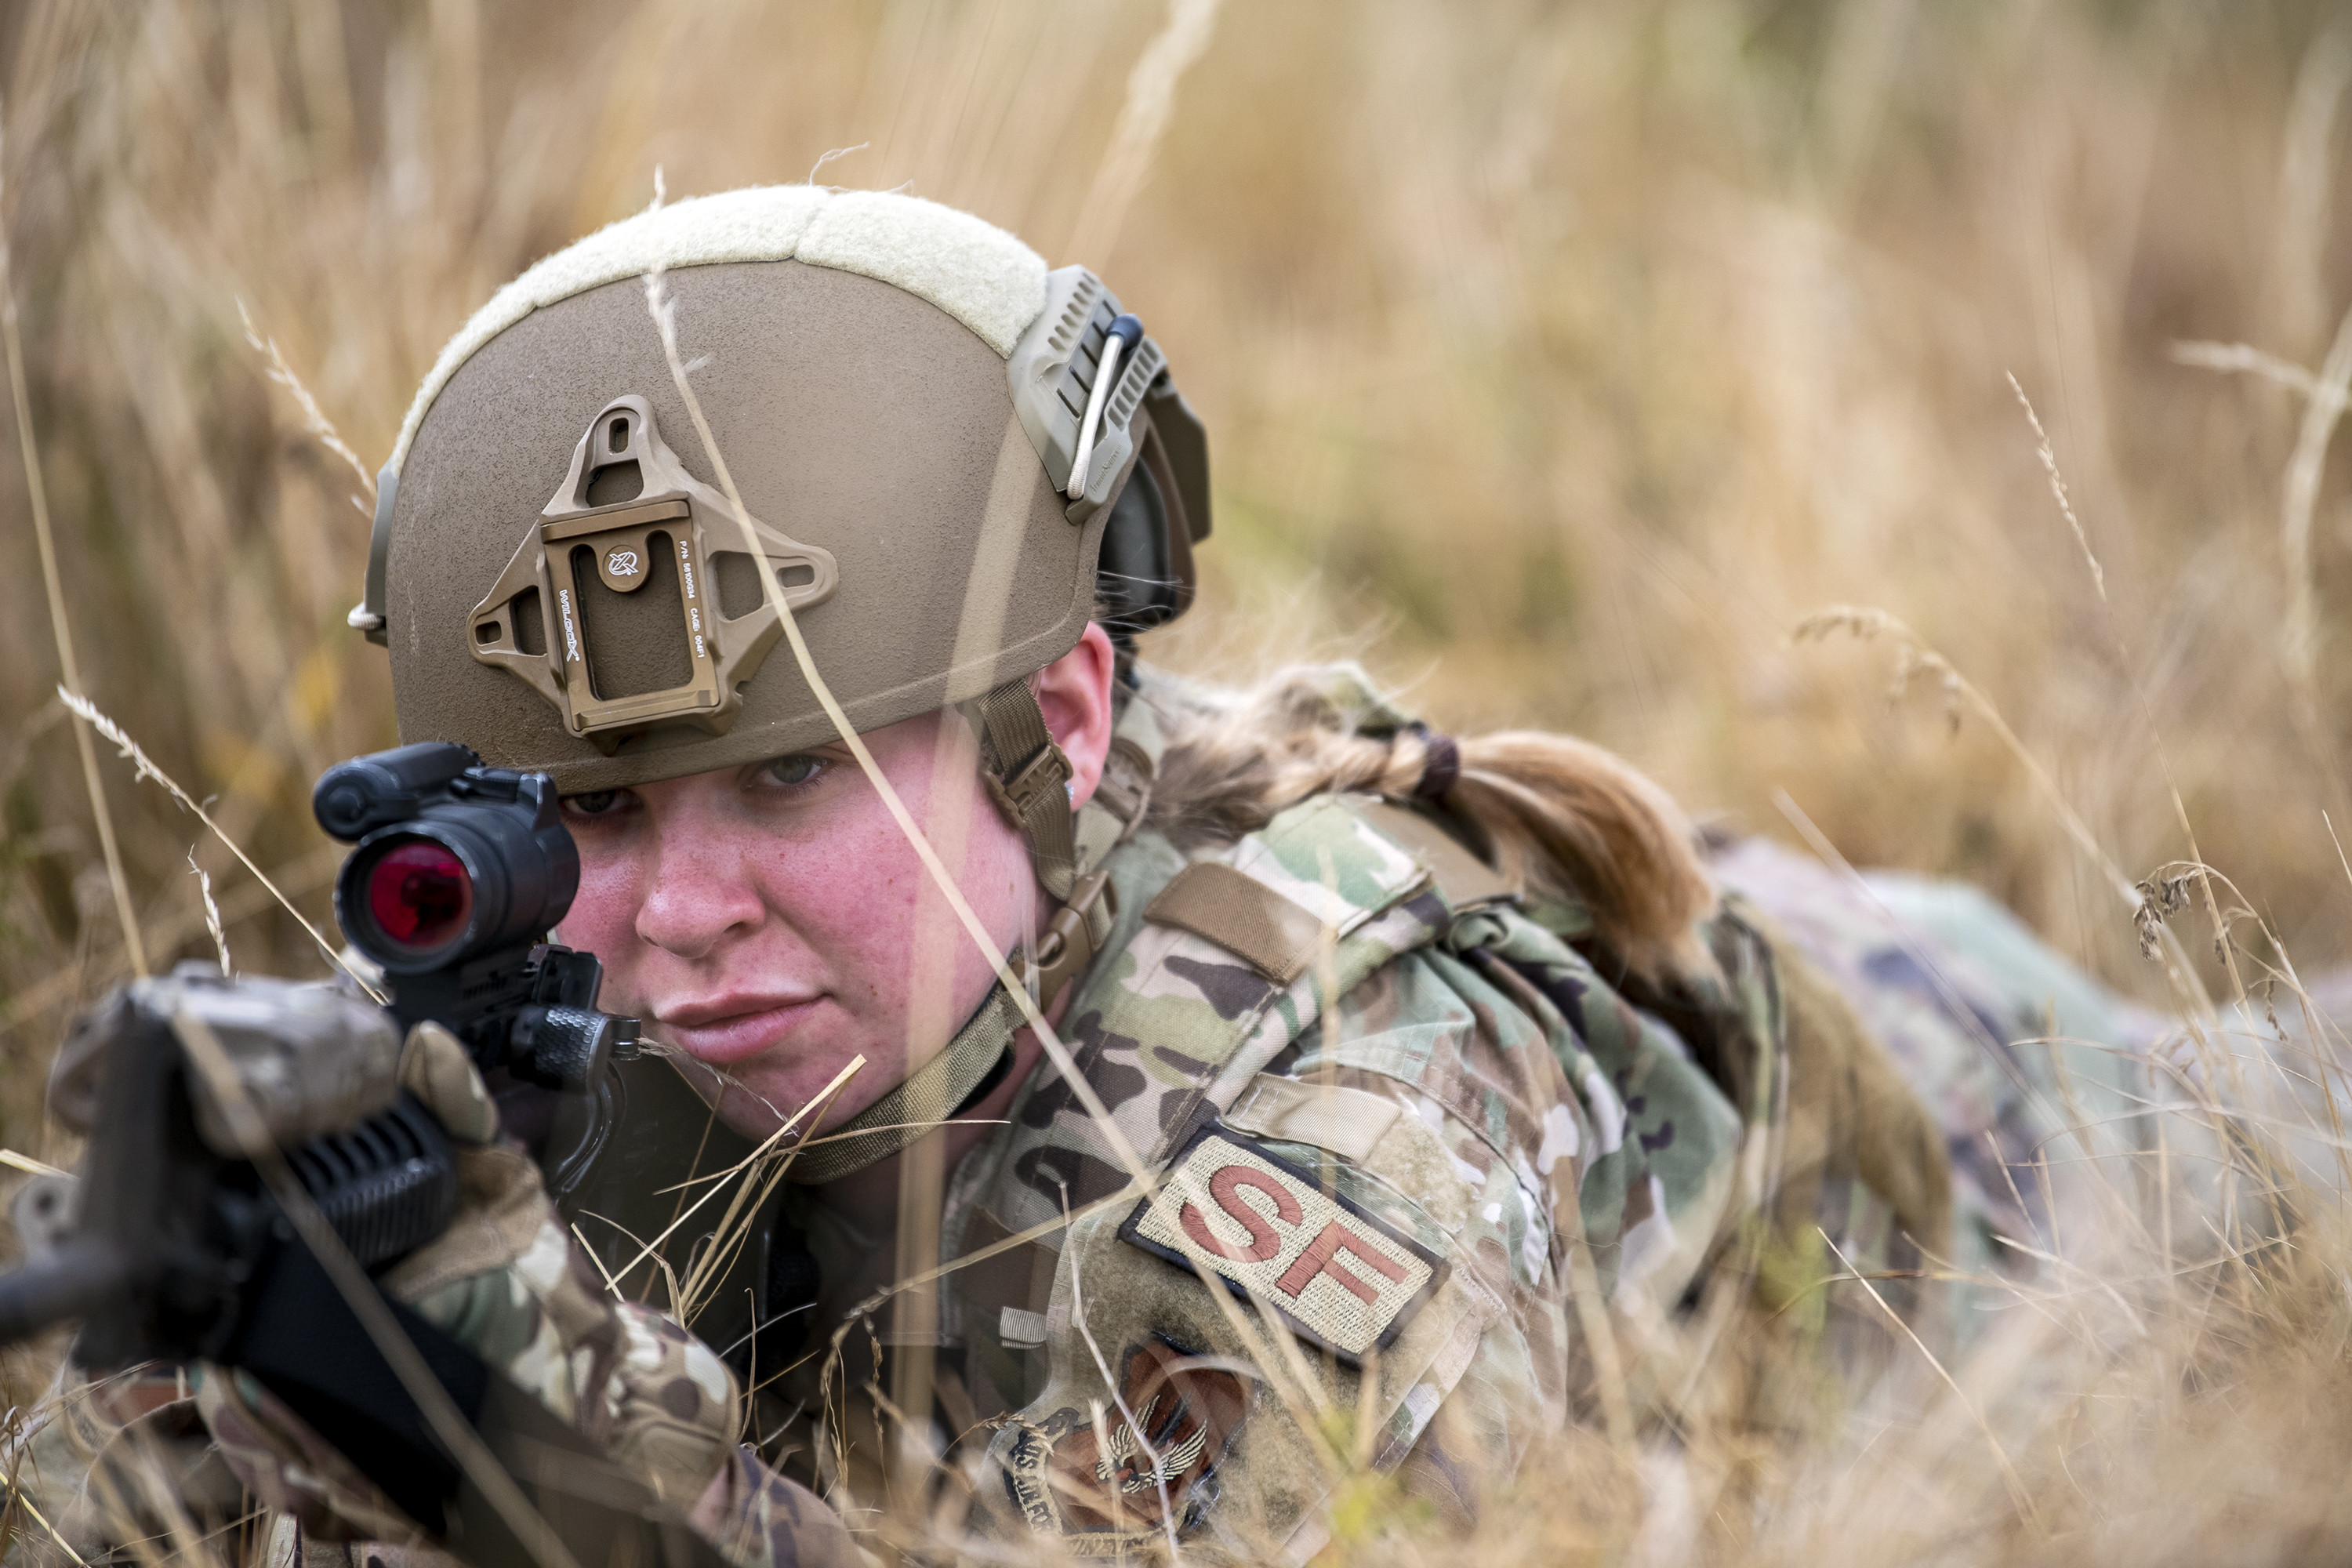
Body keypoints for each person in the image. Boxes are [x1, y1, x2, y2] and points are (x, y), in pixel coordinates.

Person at [9, 185, 2197, 1568]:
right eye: (583, 815)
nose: (673, 917)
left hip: (2107, 1158)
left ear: (1055, 721)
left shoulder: (1342, 1126)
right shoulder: (575, 996)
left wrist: (490, 1377)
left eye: (781, 786)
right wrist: (228, 1364)